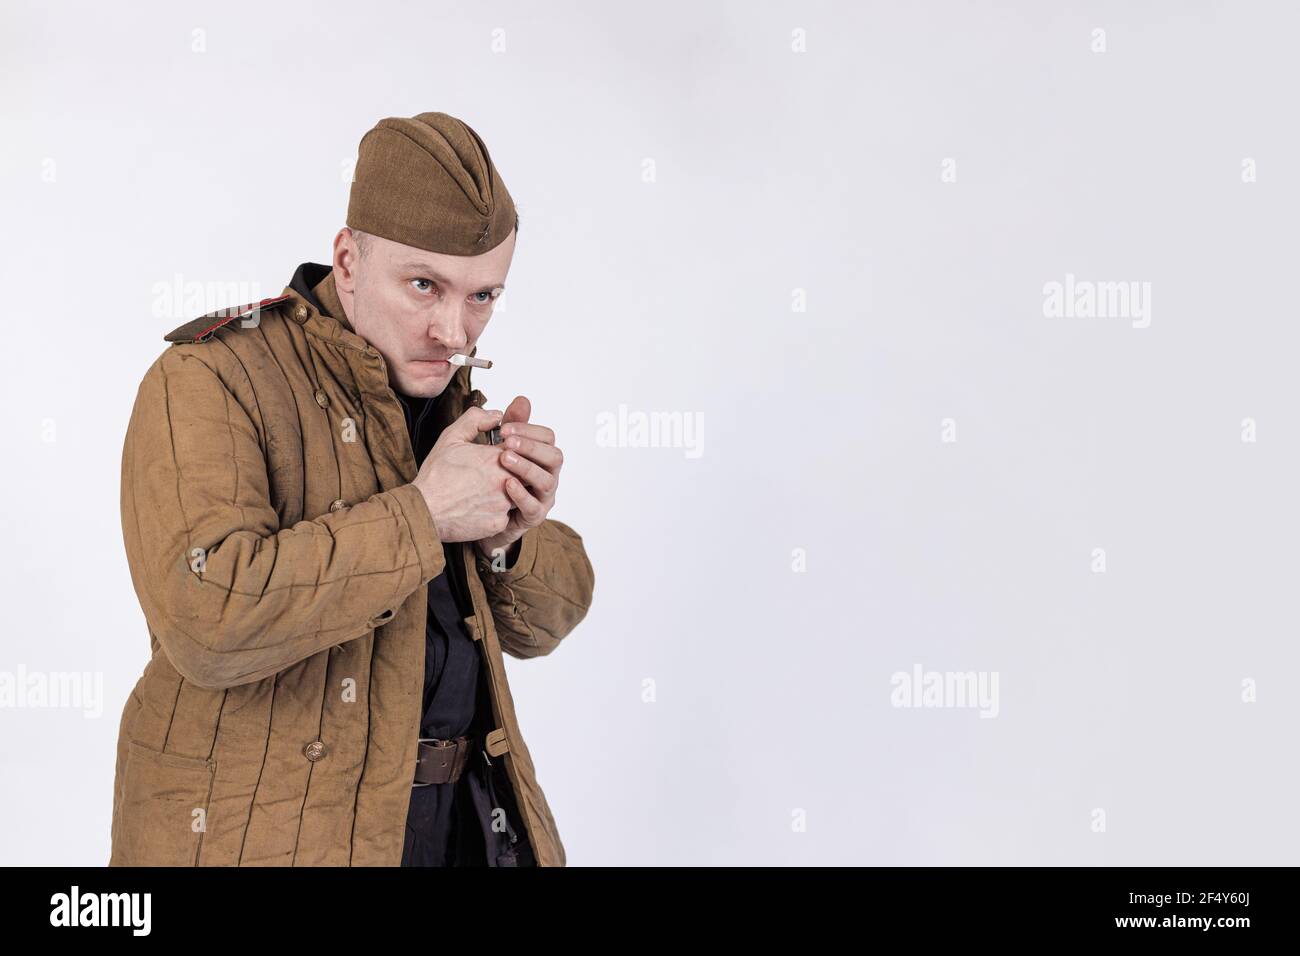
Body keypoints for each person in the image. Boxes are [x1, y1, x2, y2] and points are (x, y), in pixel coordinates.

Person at [109, 111, 594, 867]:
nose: (455, 332)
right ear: (348, 260)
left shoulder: (450, 401)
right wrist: (424, 517)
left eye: (483, 297)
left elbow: (548, 625)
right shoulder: (208, 377)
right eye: (424, 285)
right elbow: (206, 620)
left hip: (462, 829)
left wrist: (509, 540)